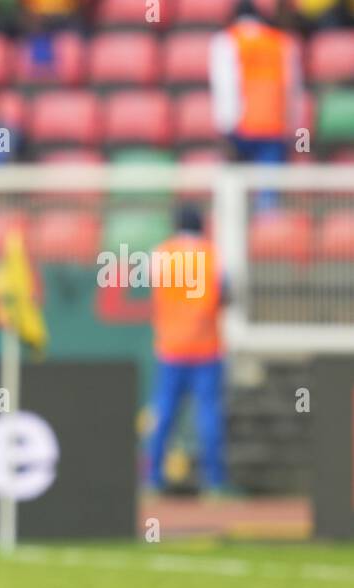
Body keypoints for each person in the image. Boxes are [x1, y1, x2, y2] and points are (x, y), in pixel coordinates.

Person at [146, 206, 228, 496]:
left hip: (171, 348)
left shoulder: (160, 254)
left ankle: (152, 480)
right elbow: (225, 293)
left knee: (163, 413)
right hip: (207, 348)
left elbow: (155, 292)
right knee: (208, 416)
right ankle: (215, 483)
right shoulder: (213, 255)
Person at [209, 1, 303, 167]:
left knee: (236, 184)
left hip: (241, 127)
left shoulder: (226, 41)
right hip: (275, 125)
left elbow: (225, 86)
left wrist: (226, 127)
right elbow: (293, 88)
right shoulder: (281, 42)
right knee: (268, 185)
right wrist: (293, 125)